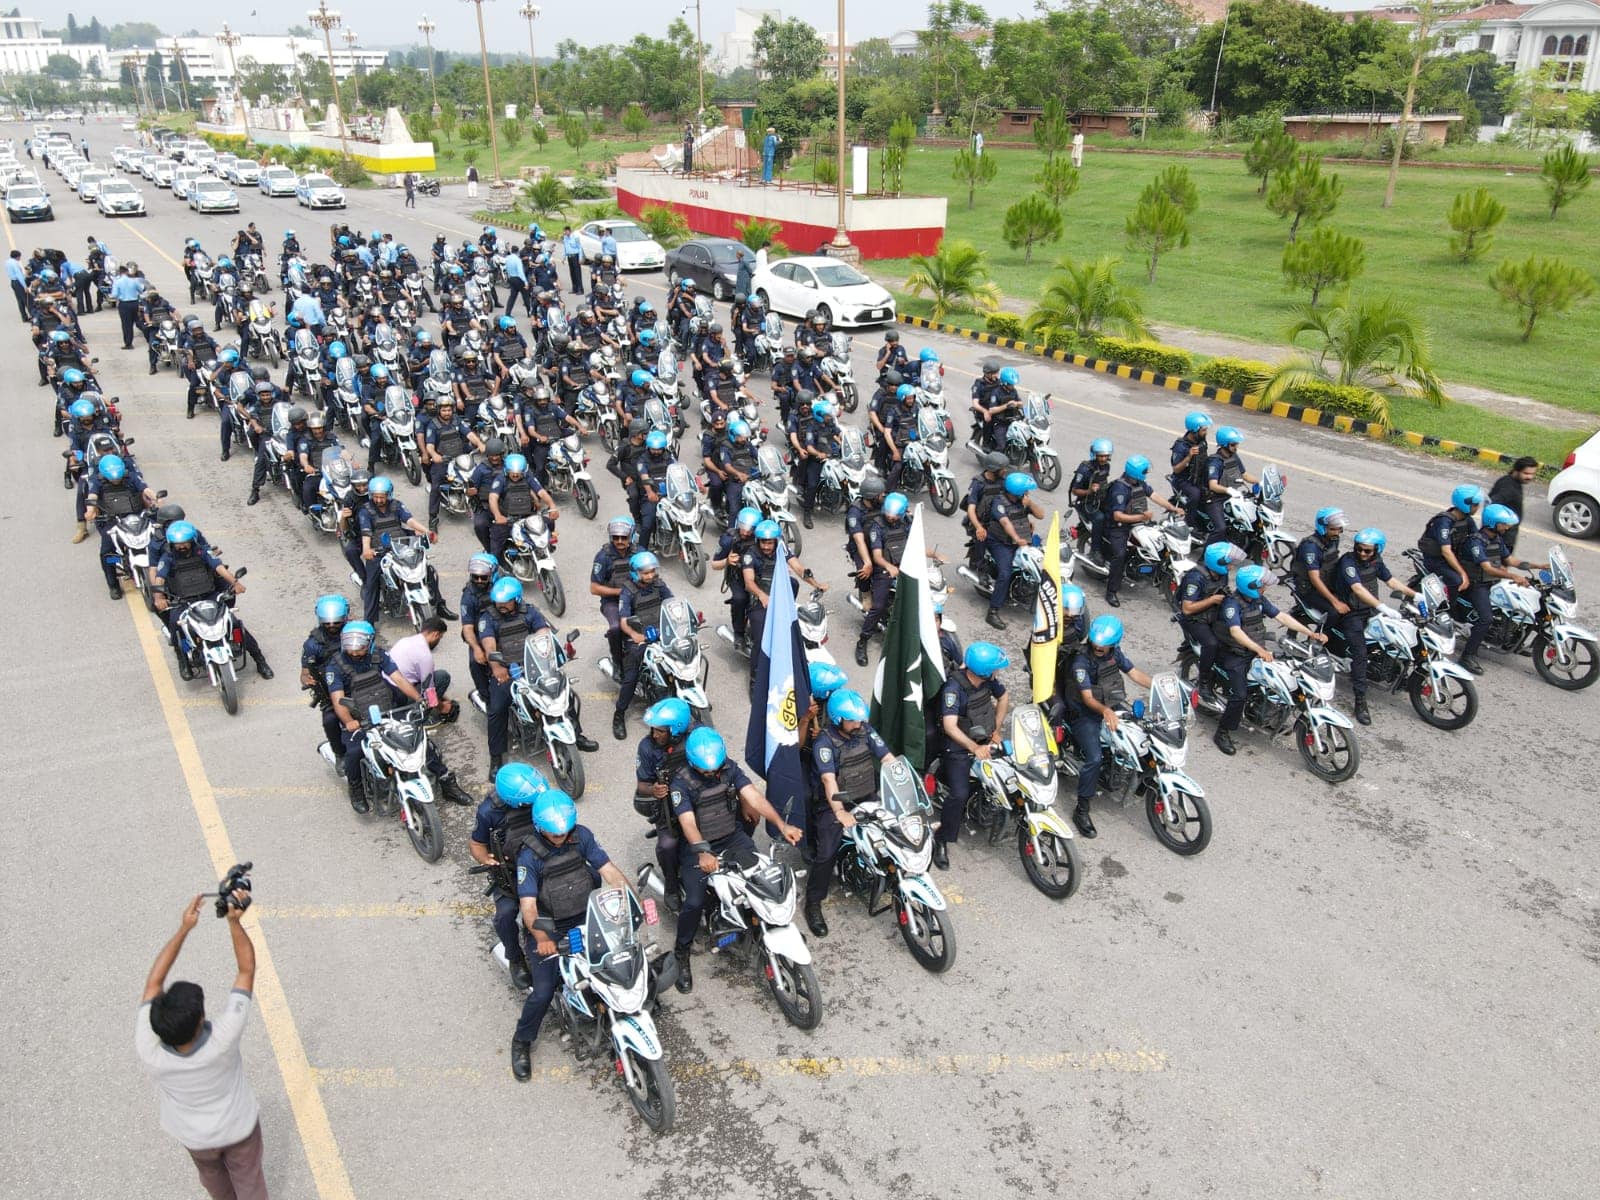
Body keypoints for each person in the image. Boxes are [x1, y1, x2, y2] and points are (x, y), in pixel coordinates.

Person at [135, 892, 267, 1200]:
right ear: (199, 1021)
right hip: (238, 1131)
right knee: (250, 1183)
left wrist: (184, 929)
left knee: (215, 1183)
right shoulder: (223, 1037)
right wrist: (234, 922)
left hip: (195, 1139)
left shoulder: (149, 1047)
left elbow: (153, 983)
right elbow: (246, 969)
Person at [508, 790, 631, 1080]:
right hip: (550, 927)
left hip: (589, 917)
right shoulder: (529, 857)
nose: (561, 838)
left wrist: (630, 902)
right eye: (554, 833)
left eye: (564, 832)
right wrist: (542, 939)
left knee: (624, 959)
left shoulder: (582, 836)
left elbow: (610, 871)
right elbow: (528, 906)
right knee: (542, 991)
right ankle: (521, 1041)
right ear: (540, 827)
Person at [669, 728, 802, 994]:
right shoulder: (680, 784)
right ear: (694, 765)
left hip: (732, 838)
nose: (714, 774)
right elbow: (688, 823)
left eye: (716, 768)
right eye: (707, 771)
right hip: (698, 848)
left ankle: (764, 925)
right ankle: (681, 953)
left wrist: (780, 824)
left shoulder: (729, 768)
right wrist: (703, 851)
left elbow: (754, 797)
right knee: (694, 902)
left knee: (760, 878)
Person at [325, 621, 473, 810]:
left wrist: (420, 699)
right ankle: (356, 790)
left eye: (359, 647)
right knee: (354, 752)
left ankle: (446, 781)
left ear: (369, 643)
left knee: (421, 742)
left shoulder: (378, 654)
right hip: (358, 715)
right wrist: (349, 721)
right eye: (350, 647)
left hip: (388, 707)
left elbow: (398, 679)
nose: (354, 652)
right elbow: (338, 699)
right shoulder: (335, 666)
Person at [1211, 565, 1327, 756]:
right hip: (1234, 653)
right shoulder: (1231, 605)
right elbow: (1236, 632)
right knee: (1239, 696)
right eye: (1262, 585)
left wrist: (1310, 633)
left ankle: (1270, 710)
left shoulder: (1258, 600)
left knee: (1286, 674)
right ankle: (1222, 732)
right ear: (1251, 586)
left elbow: (1281, 616)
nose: (1265, 588)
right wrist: (1259, 649)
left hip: (1256, 650)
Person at [807, 689, 895, 936]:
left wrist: (902, 781)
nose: (859, 723)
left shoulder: (865, 730)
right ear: (837, 719)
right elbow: (828, 780)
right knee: (826, 852)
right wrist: (839, 812)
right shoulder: (825, 742)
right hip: (835, 803)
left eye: (860, 719)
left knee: (891, 832)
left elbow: (887, 757)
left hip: (865, 794)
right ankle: (813, 902)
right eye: (853, 720)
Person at [1063, 615, 1153, 838]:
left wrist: (1160, 687)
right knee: (1094, 758)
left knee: (1145, 735)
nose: (1099, 647)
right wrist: (1105, 711)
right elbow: (1086, 697)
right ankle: (1081, 810)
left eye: (1104, 644)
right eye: (1096, 643)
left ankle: (1141, 778)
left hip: (1112, 705)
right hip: (1085, 714)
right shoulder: (1081, 662)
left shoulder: (1115, 654)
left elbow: (1134, 673)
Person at [152, 523, 275, 682]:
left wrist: (235, 583)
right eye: (178, 544)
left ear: (193, 541)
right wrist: (159, 598)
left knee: (234, 623)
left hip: (209, 596)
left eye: (185, 542)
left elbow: (220, 569)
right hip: (184, 602)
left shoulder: (203, 552)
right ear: (171, 544)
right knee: (175, 626)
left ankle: (260, 660)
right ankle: (183, 661)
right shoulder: (167, 558)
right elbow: (159, 578)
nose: (182, 546)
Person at [1324, 528, 1420, 726]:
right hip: (1351, 613)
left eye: (1367, 551)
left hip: (1370, 610)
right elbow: (1357, 588)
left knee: (1400, 634)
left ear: (1378, 550)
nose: (1362, 553)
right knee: (1360, 654)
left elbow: (1391, 581)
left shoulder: (1376, 561)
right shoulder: (1348, 562)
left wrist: (1414, 595)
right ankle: (1360, 700)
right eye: (1360, 549)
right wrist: (1381, 606)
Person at [468, 762, 549, 991]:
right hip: (510, 872)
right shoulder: (488, 812)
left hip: (544, 862)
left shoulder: (539, 795)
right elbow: (476, 844)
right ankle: (515, 957)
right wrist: (486, 860)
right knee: (505, 915)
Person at [936, 642, 1011, 869]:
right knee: (959, 794)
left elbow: (1004, 698)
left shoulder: (988, 680)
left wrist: (996, 730)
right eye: (995, 669)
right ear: (984, 670)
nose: (998, 672)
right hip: (959, 746)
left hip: (984, 737)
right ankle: (942, 840)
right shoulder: (953, 689)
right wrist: (973, 747)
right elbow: (949, 726)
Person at [1456, 504, 1546, 675]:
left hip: (1492, 582)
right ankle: (1467, 657)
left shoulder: (1496, 539)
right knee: (1486, 618)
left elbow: (1511, 561)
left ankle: (1513, 640)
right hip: (1476, 585)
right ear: (1492, 522)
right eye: (1504, 523)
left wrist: (1539, 565)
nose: (1507, 527)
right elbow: (1487, 568)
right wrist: (1513, 577)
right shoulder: (1476, 541)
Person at [633, 697, 696, 905]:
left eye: (660, 731)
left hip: (698, 798)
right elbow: (641, 785)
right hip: (668, 808)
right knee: (668, 845)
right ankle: (671, 885)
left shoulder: (696, 737)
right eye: (653, 729)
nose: (655, 734)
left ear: (676, 730)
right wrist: (654, 789)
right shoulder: (647, 747)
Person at [1103, 455, 1183, 607]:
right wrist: (1142, 516)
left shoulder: (1138, 483)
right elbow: (1117, 516)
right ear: (1137, 472)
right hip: (1118, 527)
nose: (1146, 473)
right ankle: (1111, 591)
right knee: (1119, 556)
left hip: (1138, 522)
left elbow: (1155, 496)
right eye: (1144, 471)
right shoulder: (1120, 489)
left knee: (1159, 540)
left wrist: (1172, 508)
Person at [1178, 542, 1246, 711]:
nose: (1231, 566)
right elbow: (1187, 608)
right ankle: (1204, 682)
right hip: (1195, 620)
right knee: (1212, 644)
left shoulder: (1221, 574)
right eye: (1228, 562)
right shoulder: (1195, 578)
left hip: (1212, 614)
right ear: (1218, 562)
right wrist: (1212, 600)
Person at [613, 551, 672, 740]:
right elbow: (623, 622)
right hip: (640, 637)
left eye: (651, 572)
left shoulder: (659, 584)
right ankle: (619, 714)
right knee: (631, 676)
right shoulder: (628, 591)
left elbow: (672, 603)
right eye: (645, 573)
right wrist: (635, 635)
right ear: (635, 573)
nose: (649, 576)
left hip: (662, 633)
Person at [84, 454, 157, 599]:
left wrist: (156, 498)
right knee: (107, 552)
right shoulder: (97, 481)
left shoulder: (131, 476)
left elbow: (144, 488)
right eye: (113, 479)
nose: (116, 480)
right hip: (112, 519)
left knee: (157, 538)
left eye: (118, 478)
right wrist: (90, 510)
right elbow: (92, 496)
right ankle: (113, 584)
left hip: (136, 515)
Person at [982, 472, 1046, 629]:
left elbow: (1041, 515)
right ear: (1016, 492)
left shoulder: (1022, 501)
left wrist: (1030, 504)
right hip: (1001, 543)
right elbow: (1005, 523)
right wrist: (1017, 539)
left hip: (1022, 541)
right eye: (1025, 491)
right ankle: (993, 611)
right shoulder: (999, 502)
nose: (1028, 493)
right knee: (1005, 573)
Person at [388, 617, 461, 728]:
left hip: (388, 691)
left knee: (431, 679)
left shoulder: (404, 641)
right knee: (443, 676)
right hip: (400, 697)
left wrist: (443, 698)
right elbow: (429, 692)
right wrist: (443, 707)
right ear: (435, 634)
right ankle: (418, 717)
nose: (439, 641)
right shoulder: (425, 655)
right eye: (440, 637)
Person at [1289, 508, 1348, 619]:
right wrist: (1335, 602)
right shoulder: (1310, 548)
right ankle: (1321, 635)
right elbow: (1314, 579)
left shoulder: (1333, 540)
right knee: (1334, 613)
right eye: (1333, 529)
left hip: (1328, 583)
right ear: (1323, 528)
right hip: (1309, 589)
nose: (1337, 533)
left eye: (1339, 529)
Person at [1203, 426, 1257, 544]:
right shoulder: (1215, 462)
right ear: (1224, 445)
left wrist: (1259, 482)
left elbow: (1245, 475)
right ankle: (1207, 556)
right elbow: (1213, 485)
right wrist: (1228, 490)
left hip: (1231, 496)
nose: (1236, 447)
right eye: (1233, 445)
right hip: (1214, 498)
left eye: (1236, 444)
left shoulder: (1233, 456)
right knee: (1220, 528)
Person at [1070, 438, 1114, 566]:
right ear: (1094, 455)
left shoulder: (1106, 466)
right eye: (1101, 456)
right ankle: (1095, 550)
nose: (1103, 459)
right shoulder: (1084, 469)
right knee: (1099, 518)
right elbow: (1075, 490)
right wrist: (1089, 491)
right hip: (1086, 503)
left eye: (1106, 456)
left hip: (1099, 500)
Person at [1488, 457, 1538, 554]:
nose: (1530, 477)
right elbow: (1492, 506)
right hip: (1502, 539)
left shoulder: (1510, 481)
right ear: (1516, 470)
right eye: (1526, 473)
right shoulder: (1508, 488)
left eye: (1532, 474)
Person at [1168, 411, 1211, 517]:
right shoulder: (1180, 446)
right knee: (1195, 494)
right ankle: (1191, 522)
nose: (1206, 432)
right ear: (1195, 431)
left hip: (1198, 477)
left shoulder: (1201, 442)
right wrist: (1189, 456)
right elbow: (1176, 469)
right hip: (1183, 480)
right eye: (1203, 430)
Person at [111, 266, 146, 350]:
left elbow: (114, 295)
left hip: (124, 304)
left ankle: (128, 343)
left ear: (120, 272)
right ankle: (148, 334)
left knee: (127, 325)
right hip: (134, 303)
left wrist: (120, 296)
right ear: (127, 272)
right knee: (138, 320)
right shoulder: (134, 281)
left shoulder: (117, 282)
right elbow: (141, 290)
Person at [9, 248, 31, 322]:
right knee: (26, 300)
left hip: (13, 282)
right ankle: (33, 316)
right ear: (17, 256)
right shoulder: (15, 263)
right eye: (19, 257)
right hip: (18, 282)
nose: (20, 258)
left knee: (19, 300)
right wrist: (25, 286)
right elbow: (19, 276)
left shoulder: (8, 262)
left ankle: (24, 317)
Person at [561, 226, 583, 294]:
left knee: (577, 274)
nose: (565, 232)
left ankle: (580, 289)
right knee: (572, 273)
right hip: (569, 257)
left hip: (575, 256)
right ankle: (574, 288)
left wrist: (580, 258)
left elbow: (580, 248)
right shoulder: (565, 238)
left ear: (570, 231)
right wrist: (563, 257)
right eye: (564, 231)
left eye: (566, 231)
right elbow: (565, 248)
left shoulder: (575, 237)